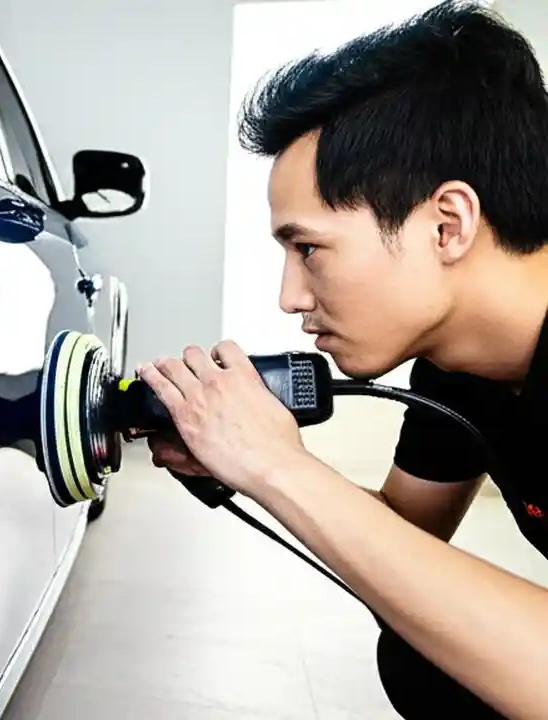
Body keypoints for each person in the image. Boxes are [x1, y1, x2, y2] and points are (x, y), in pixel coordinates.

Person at [138, 2, 548, 717]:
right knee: (425, 654)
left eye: (309, 249)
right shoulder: (456, 373)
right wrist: (246, 464)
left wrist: (281, 467)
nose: (291, 297)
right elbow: (400, 536)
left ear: (447, 225)